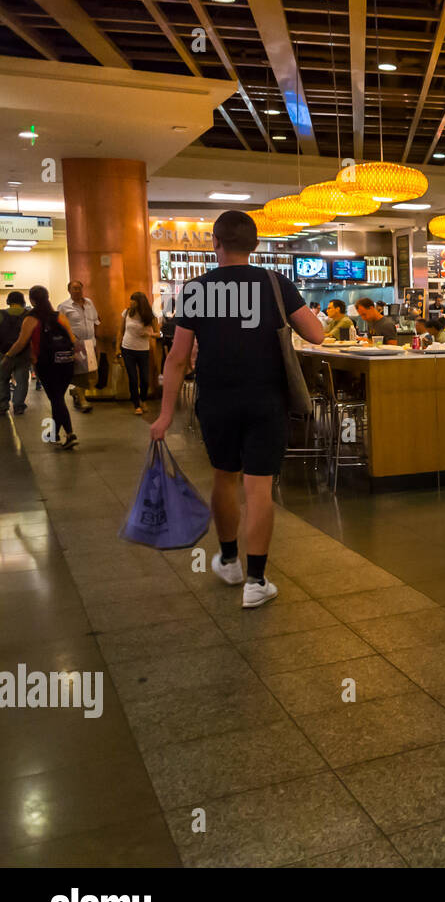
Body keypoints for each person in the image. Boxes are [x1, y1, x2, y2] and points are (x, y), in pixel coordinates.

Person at [150, 210, 325, 609]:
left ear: (215, 243)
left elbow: (176, 359)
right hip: (266, 399)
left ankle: (229, 561)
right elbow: (315, 333)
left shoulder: (196, 289)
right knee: (258, 487)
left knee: (224, 477)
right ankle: (256, 581)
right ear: (255, 245)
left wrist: (163, 416)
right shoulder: (275, 283)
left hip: (216, 399)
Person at [5, 286, 78, 448]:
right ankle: (54, 434)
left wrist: (8, 356)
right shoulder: (59, 317)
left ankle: (70, 433)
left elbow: (21, 342)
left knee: (56, 398)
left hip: (46, 364)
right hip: (66, 362)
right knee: (57, 398)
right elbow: (72, 339)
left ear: (32, 300)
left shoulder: (31, 319)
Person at [57, 279, 99, 413]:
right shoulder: (64, 306)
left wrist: (96, 339)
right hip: (77, 345)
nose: (77, 290)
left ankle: (76, 391)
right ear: (69, 290)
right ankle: (82, 400)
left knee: (92, 375)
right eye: (74, 288)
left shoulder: (89, 303)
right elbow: (60, 327)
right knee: (81, 373)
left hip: (91, 343)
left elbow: (96, 321)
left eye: (79, 288)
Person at [118, 291, 162, 414]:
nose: (131, 302)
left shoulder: (150, 315)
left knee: (145, 378)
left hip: (143, 350)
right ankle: (136, 404)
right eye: (131, 299)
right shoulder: (126, 312)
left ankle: (143, 400)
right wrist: (118, 348)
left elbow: (159, 333)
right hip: (127, 349)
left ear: (140, 302)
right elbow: (120, 331)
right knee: (132, 378)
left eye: (133, 300)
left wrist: (150, 334)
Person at [0, 291, 32, 415]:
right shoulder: (28, 315)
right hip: (23, 353)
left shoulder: (1, 314)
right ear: (22, 301)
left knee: (2, 379)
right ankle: (18, 405)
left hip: (3, 353)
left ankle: (2, 405)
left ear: (8, 301)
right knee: (22, 380)